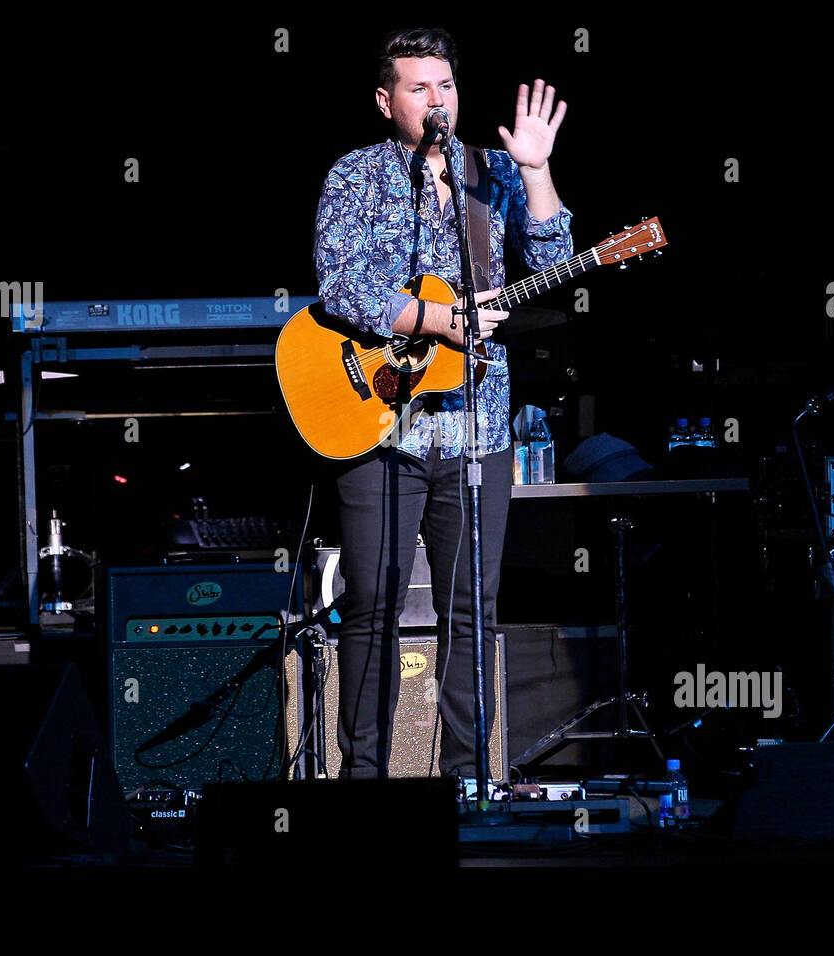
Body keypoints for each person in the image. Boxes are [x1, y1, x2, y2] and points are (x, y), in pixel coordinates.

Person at [314, 26, 573, 780]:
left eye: (447, 85)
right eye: (420, 87)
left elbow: (552, 258)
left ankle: (467, 785)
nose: (438, 100)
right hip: (378, 427)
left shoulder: (488, 173)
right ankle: (365, 780)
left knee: (472, 614)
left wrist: (536, 170)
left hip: (476, 430)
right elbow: (342, 285)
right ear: (385, 100)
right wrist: (440, 319)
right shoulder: (356, 176)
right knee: (371, 609)